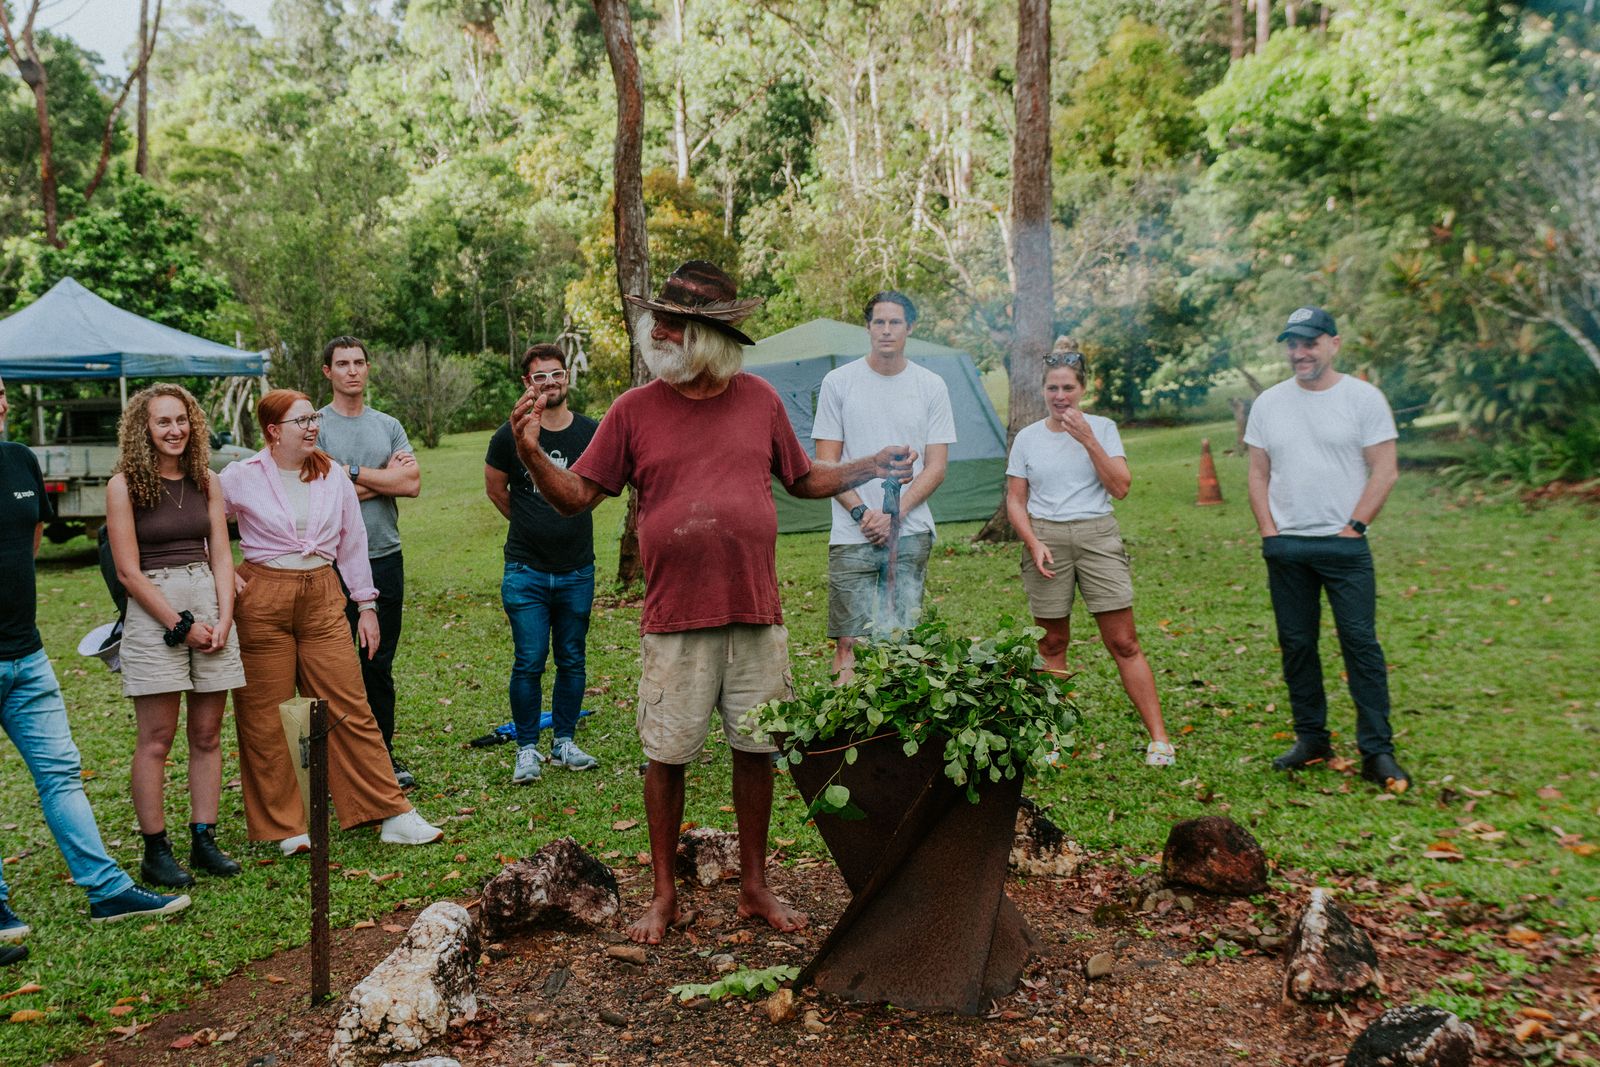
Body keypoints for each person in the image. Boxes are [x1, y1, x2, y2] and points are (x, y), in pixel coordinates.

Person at [511, 261, 915, 944]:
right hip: (675, 616)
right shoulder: (634, 410)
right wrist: (532, 456)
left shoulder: (758, 398)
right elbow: (579, 495)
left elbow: (803, 476)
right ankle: (664, 893)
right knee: (667, 755)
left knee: (756, 748)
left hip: (756, 608)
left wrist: (868, 465)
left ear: (711, 338)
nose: (657, 332)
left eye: (673, 324)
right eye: (657, 320)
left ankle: (754, 883)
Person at [0, 374, 191, 937]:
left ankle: (106, 891)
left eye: (2, 394)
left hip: (26, 653)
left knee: (61, 773)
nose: (1, 404)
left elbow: (31, 540)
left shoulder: (19, 460)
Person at [219, 389, 443, 854]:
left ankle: (391, 813)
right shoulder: (239, 477)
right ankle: (287, 827)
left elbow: (353, 542)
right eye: (301, 420)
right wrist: (221, 572)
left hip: (323, 595)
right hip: (263, 599)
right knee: (266, 715)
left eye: (313, 418)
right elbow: (204, 528)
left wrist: (366, 605)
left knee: (350, 704)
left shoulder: (332, 475)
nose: (312, 426)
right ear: (273, 431)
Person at [1245, 306, 1407, 792]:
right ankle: (1312, 738)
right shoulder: (1269, 403)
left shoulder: (1363, 398)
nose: (1300, 352)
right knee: (1297, 645)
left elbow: (1385, 469)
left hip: (1345, 545)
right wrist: (1270, 533)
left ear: (1334, 343)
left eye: (1310, 342)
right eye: (1293, 344)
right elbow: (1258, 473)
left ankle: (1377, 751)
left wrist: (1355, 527)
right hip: (1287, 545)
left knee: (1360, 645)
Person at [1003, 344, 1174, 766]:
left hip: (1098, 535)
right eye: (1052, 388)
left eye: (1067, 387)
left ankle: (1159, 740)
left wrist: (1087, 439)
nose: (1060, 396)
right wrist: (1033, 541)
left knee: (1124, 641)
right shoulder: (1027, 438)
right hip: (1046, 538)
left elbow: (1120, 487)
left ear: (1083, 388)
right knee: (1053, 642)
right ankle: (1052, 739)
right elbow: (1014, 501)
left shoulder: (1103, 428)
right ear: (1042, 390)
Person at [105, 384, 246, 888]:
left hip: (210, 601)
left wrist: (225, 618)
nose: (174, 430)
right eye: (163, 422)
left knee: (207, 734)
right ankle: (155, 849)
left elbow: (223, 554)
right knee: (157, 738)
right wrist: (180, 626)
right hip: (157, 613)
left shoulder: (206, 480)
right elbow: (128, 572)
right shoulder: (125, 486)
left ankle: (204, 838)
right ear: (143, 430)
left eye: (182, 420)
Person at [812, 291, 956, 683]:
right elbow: (826, 465)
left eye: (895, 323)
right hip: (851, 533)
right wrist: (863, 514)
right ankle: (845, 729)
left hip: (909, 533)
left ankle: (891, 736)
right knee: (849, 641)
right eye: (879, 322)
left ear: (910, 328)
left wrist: (896, 514)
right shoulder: (839, 383)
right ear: (868, 327)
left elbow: (936, 466)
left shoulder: (931, 385)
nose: (886, 330)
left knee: (900, 639)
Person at [485, 343, 600, 784]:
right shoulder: (508, 435)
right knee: (529, 660)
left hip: (577, 570)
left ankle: (565, 742)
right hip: (526, 571)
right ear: (526, 383)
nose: (550, 382)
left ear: (567, 377)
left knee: (572, 658)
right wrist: (533, 521)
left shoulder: (590, 432)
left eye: (556, 374)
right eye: (540, 376)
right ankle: (527, 749)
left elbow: (601, 485)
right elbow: (496, 490)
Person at [316, 337, 421, 790]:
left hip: (384, 558)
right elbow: (321, 492)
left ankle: (383, 757)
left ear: (368, 368)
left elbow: (412, 484)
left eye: (359, 363)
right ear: (327, 372)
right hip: (329, 565)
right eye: (343, 364)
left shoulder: (389, 425)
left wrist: (353, 473)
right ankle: (340, 760)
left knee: (378, 663)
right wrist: (386, 478)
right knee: (336, 666)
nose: (352, 371)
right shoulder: (314, 426)